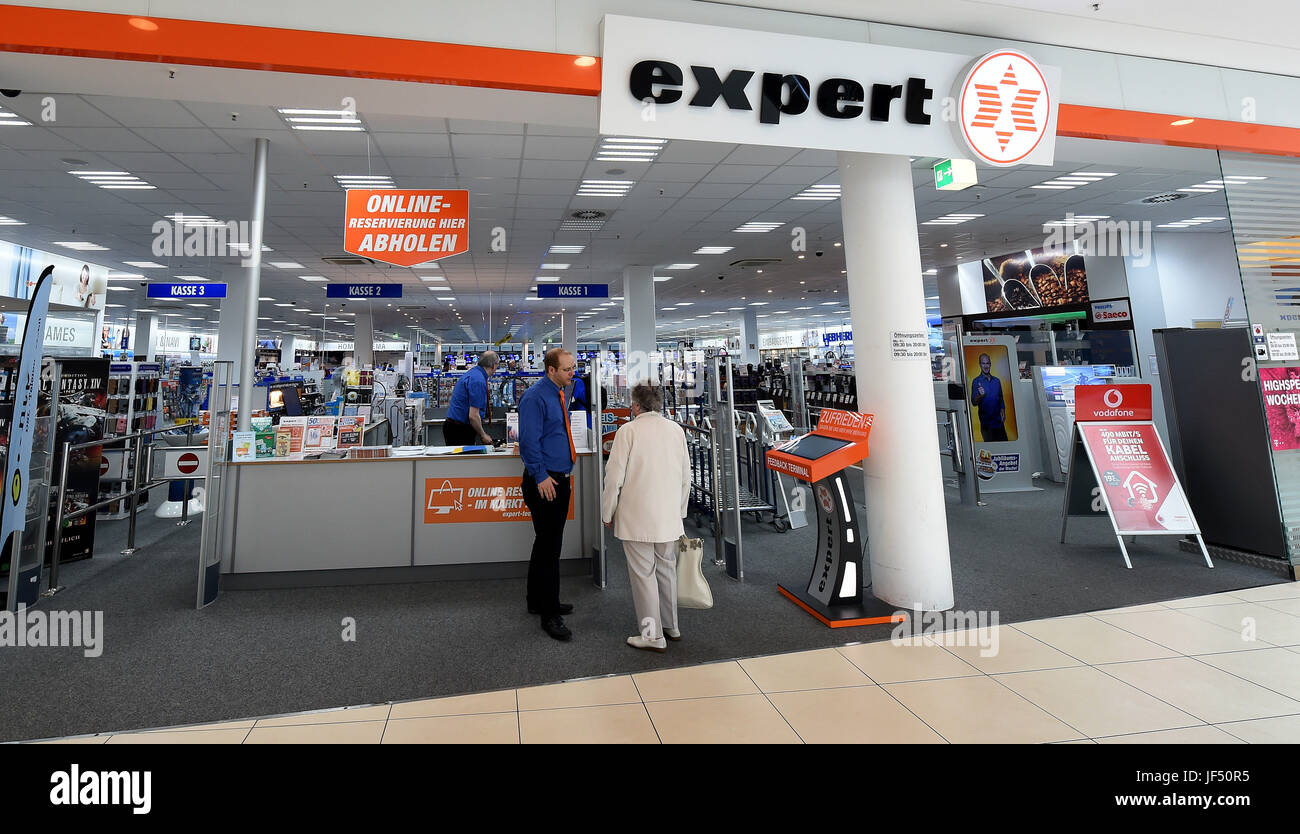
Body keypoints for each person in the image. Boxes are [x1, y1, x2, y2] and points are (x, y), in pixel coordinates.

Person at [601, 382, 692, 652]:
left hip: (637, 517)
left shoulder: (628, 431)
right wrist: (680, 512)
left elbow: (614, 478)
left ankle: (652, 635)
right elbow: (686, 476)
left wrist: (607, 511)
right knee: (666, 570)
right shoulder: (675, 430)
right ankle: (671, 625)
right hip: (668, 517)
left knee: (643, 575)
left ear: (636, 405)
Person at [517, 348, 578, 641]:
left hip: (558, 478)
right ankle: (549, 614)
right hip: (546, 482)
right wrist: (540, 475)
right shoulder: (535, 397)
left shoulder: (559, 393)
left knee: (545, 545)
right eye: (567, 369)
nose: (572, 373)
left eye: (573, 367)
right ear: (551, 370)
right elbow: (529, 441)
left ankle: (537, 600)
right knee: (550, 549)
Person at [443, 350, 498, 446]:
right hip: (460, 431)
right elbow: (473, 416)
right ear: (493, 366)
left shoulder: (474, 373)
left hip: (454, 427)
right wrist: (483, 435)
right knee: (465, 456)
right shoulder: (478, 380)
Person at [970, 352, 1008, 442]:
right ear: (980, 365)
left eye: (987, 363)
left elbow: (1000, 397)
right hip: (986, 425)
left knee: (1005, 448)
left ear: (990, 364)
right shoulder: (976, 381)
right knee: (991, 450)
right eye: (983, 363)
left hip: (999, 423)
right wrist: (980, 396)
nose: (986, 366)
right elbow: (974, 402)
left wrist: (1003, 409)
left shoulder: (997, 381)